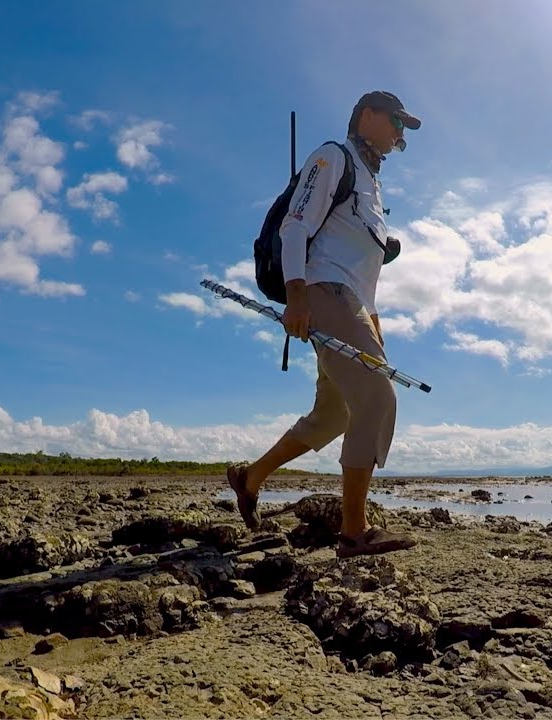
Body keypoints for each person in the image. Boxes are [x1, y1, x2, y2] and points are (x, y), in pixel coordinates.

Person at [228, 90, 422, 559]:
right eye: (396, 122)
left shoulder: (373, 190)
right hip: (323, 294)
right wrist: (296, 296)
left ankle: (249, 478)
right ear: (367, 116)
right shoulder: (333, 157)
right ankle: (353, 534)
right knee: (377, 398)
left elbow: (366, 276)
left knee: (335, 414)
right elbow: (295, 225)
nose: (399, 134)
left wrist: (373, 328)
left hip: (352, 304)